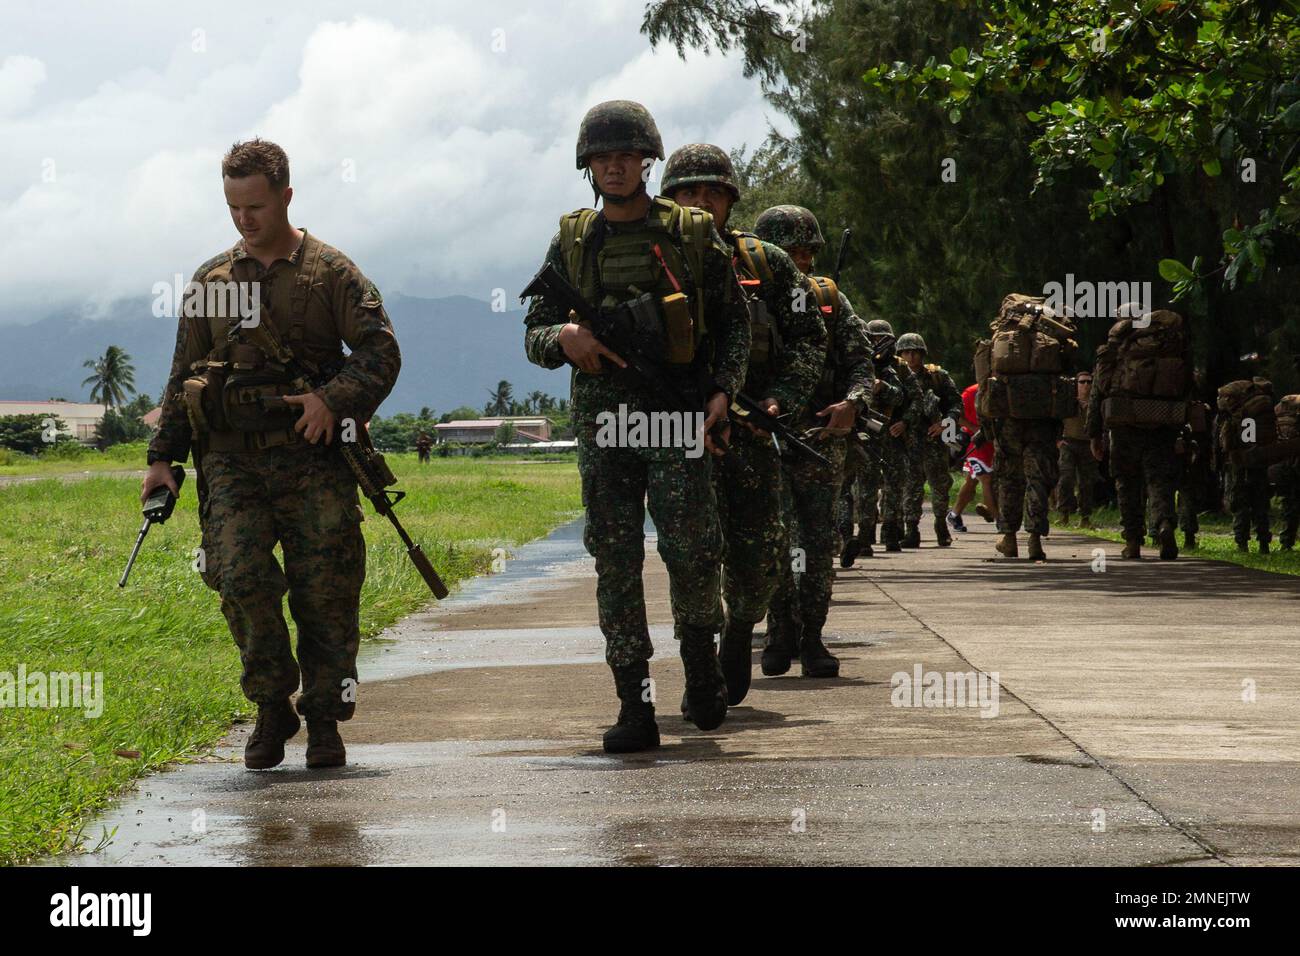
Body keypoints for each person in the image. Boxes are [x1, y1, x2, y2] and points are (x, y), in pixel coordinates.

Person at [142, 138, 402, 770]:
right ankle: (270, 702)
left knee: (326, 590)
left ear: (286, 195)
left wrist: (332, 400)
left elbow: (380, 352)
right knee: (237, 576)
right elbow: (182, 379)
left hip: (312, 460)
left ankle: (323, 721)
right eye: (233, 206)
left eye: (255, 205)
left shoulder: (330, 274)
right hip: (230, 462)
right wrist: (161, 460)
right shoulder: (210, 282)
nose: (244, 219)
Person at [522, 102, 750, 752]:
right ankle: (635, 706)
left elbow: (735, 321)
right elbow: (533, 330)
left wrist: (722, 393)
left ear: (647, 161)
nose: (614, 165)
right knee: (615, 562)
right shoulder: (572, 240)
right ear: (587, 166)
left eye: (626, 156)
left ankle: (702, 670)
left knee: (693, 552)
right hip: (605, 429)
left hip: (677, 414)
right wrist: (565, 337)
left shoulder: (692, 233)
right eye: (602, 157)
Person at [660, 145, 827, 706]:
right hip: (679, 436)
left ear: (731, 200)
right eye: (688, 192)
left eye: (712, 192)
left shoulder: (768, 262)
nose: (701, 201)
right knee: (691, 557)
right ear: (670, 198)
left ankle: (739, 630)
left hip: (752, 432)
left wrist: (781, 400)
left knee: (758, 561)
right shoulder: (648, 255)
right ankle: (699, 665)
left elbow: (809, 336)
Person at [751, 205, 874, 679]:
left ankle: (813, 636)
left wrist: (853, 404)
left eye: (806, 252)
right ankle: (779, 631)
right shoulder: (743, 296)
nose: (798, 261)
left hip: (822, 437)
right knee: (773, 538)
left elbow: (862, 363)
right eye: (788, 252)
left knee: (819, 541)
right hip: (765, 435)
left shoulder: (829, 300)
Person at [898, 333, 963, 547]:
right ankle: (911, 529)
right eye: (907, 352)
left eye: (915, 352)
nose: (911, 357)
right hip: (908, 441)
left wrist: (945, 422)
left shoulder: (938, 376)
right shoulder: (896, 377)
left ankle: (940, 525)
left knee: (940, 485)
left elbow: (955, 404)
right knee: (911, 486)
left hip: (934, 440)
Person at [948, 382, 997, 531]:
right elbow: (958, 415)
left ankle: (954, 514)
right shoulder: (971, 392)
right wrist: (975, 429)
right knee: (986, 479)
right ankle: (1000, 520)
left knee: (971, 482)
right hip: (976, 445)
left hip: (996, 444)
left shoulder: (1004, 388)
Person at [1055, 371, 1098, 529]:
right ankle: (1064, 514)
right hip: (1069, 443)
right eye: (1082, 382)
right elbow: (1056, 421)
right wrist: (1058, 440)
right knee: (1066, 478)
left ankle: (1085, 517)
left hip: (1088, 445)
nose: (1086, 385)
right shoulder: (1068, 403)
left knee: (1086, 482)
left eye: (1089, 382)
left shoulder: (1095, 405)